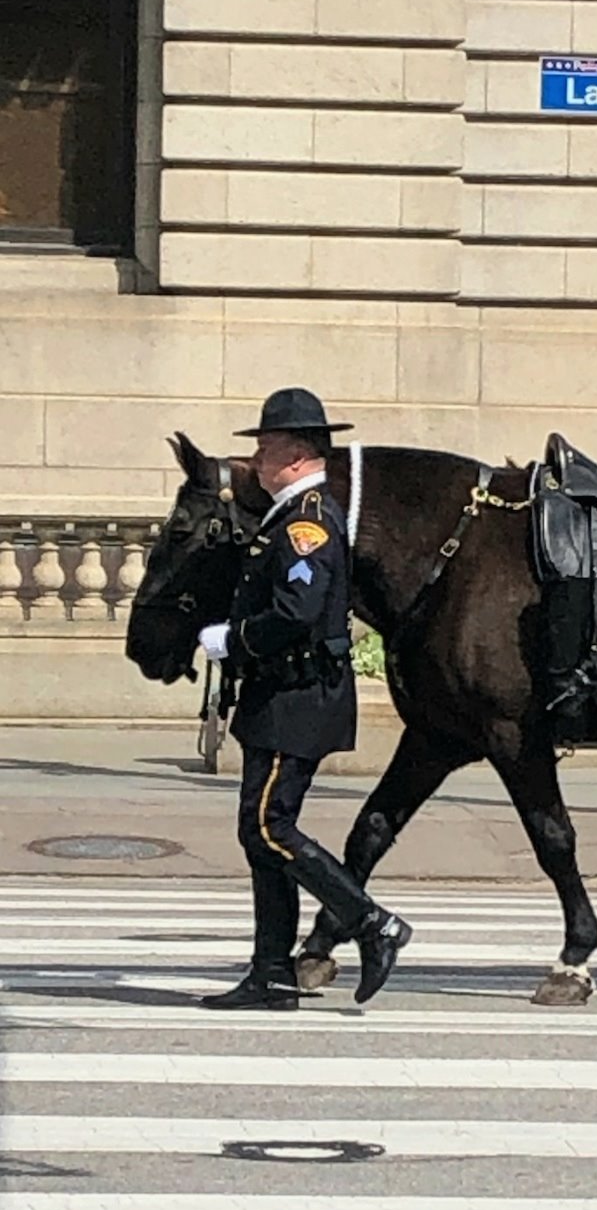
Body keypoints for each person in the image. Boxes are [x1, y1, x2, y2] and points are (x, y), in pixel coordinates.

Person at [196, 387, 411, 1009]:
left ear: (294, 455)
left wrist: (232, 639)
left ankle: (372, 923)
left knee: (269, 825)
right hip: (281, 694)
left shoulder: (309, 520)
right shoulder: (291, 514)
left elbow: (297, 610)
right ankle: (270, 972)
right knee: (258, 834)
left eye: (263, 451)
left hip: (300, 694)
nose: (257, 464)